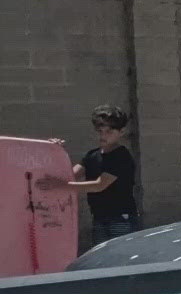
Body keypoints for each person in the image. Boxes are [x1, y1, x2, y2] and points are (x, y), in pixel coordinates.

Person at [36, 104, 139, 247]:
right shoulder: (92, 155)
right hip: (99, 217)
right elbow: (69, 175)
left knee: (121, 259)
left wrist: (60, 187)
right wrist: (55, 151)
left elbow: (99, 185)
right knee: (102, 261)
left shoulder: (121, 156)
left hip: (121, 219)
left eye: (109, 131)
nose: (103, 135)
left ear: (121, 132)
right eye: (100, 131)